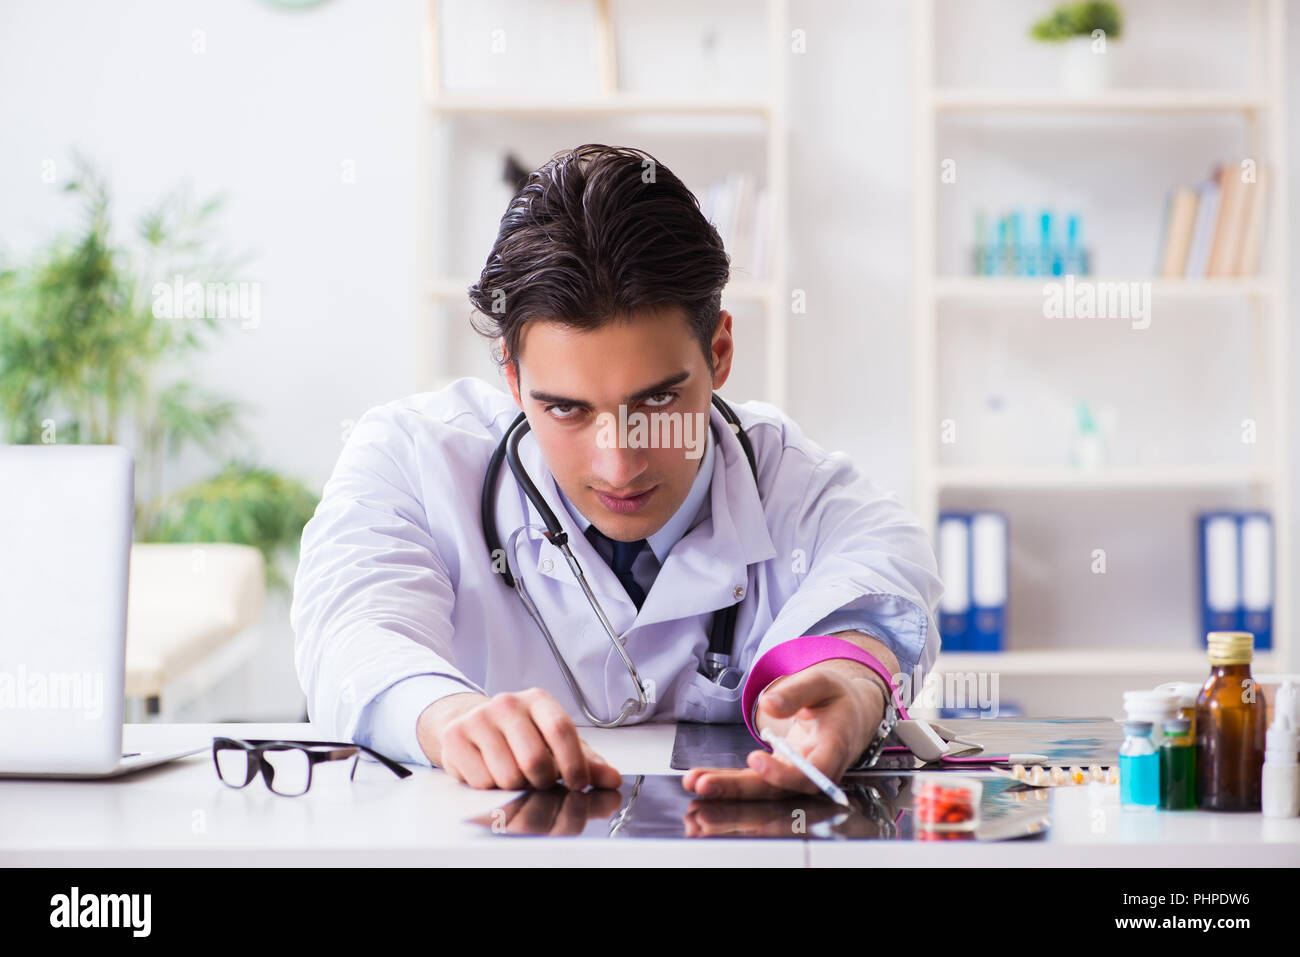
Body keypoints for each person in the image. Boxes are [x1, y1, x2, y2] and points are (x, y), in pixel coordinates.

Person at [291, 143, 943, 801]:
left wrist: (853, 683)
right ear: (513, 379)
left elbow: (879, 574)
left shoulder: (793, 485)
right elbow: (351, 631)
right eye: (567, 409)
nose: (619, 462)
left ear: (719, 352)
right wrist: (445, 716)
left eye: (657, 399)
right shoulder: (412, 460)